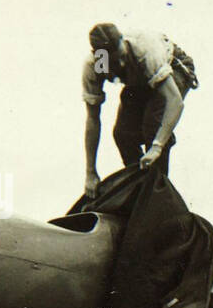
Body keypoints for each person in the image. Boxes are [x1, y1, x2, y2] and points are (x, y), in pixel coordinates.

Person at [83, 23, 198, 196]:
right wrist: (90, 173)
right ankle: (138, 186)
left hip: (172, 69)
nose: (120, 63)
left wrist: (157, 147)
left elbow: (175, 102)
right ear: (99, 57)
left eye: (122, 56)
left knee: (153, 127)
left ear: (124, 41)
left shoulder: (144, 49)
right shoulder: (95, 66)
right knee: (123, 134)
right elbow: (93, 118)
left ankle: (157, 193)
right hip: (139, 81)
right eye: (114, 62)